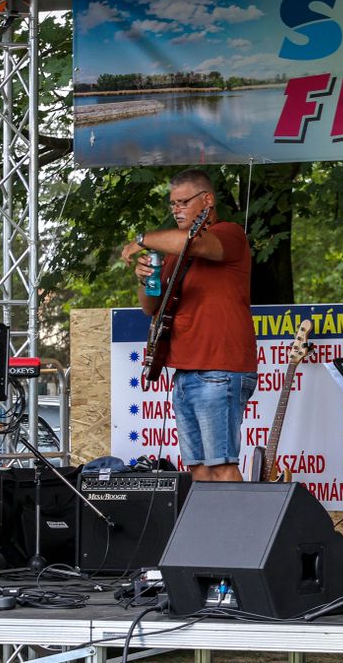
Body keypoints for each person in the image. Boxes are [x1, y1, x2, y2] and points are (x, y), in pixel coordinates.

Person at [120, 169, 256, 482]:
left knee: (222, 464)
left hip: (219, 367)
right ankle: (209, 530)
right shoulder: (172, 254)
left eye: (183, 202)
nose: (176, 209)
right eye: (172, 204)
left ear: (207, 200)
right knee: (198, 468)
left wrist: (141, 240)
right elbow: (150, 307)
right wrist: (145, 279)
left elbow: (194, 243)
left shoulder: (230, 233)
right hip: (185, 370)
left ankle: (237, 532)